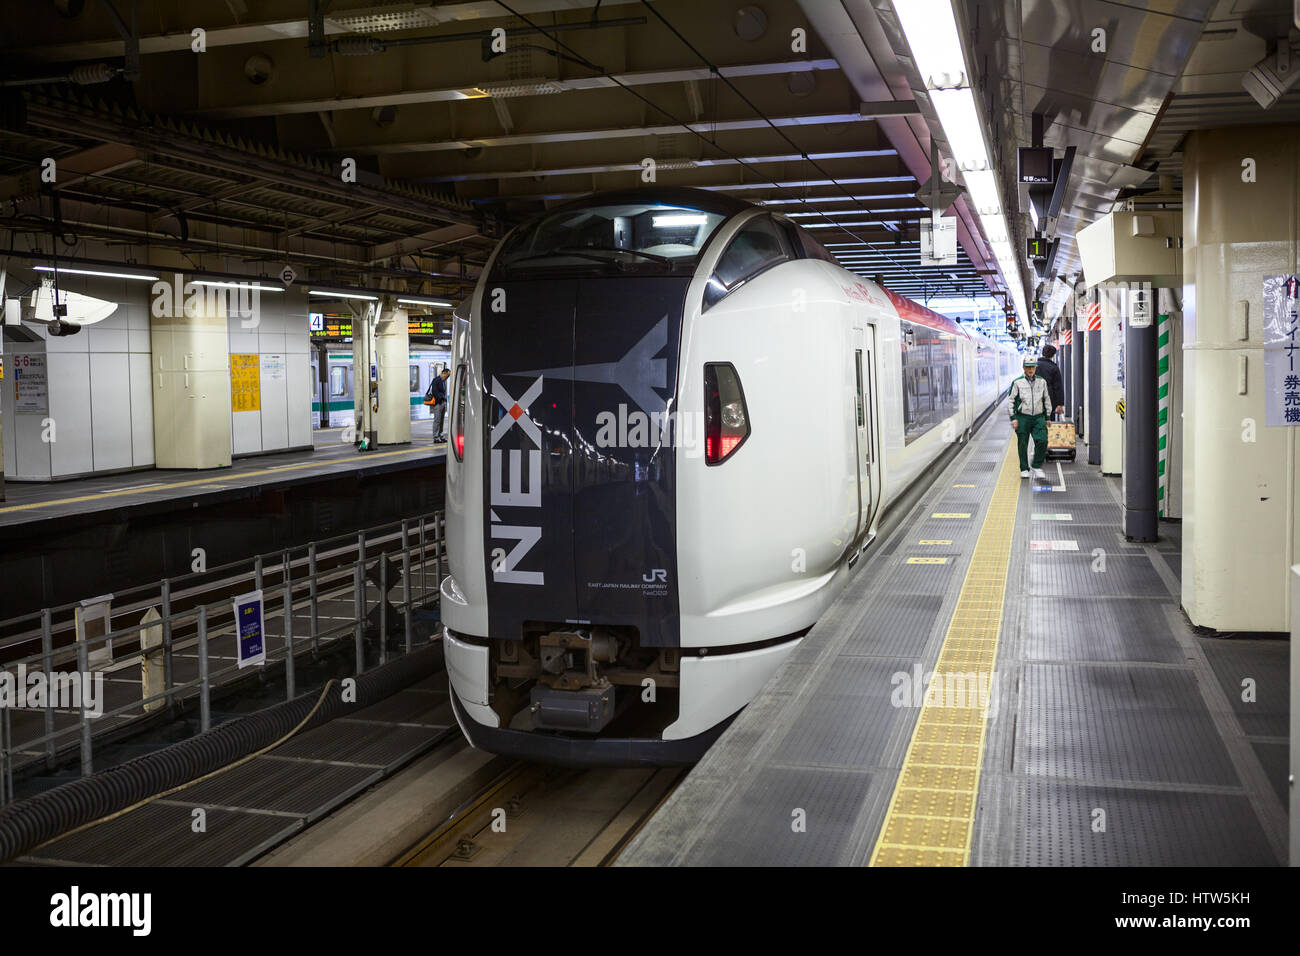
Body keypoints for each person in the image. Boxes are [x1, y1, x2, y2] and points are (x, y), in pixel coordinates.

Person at [1009, 354, 1051, 480]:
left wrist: (1048, 416)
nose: (1030, 369)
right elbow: (1011, 401)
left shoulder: (1042, 382)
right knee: (1022, 443)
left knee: (1043, 440)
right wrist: (1013, 418)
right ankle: (1024, 468)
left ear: (1036, 368)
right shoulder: (1017, 383)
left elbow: (1046, 399)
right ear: (1023, 368)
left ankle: (1036, 465)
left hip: (1039, 417)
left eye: (1032, 367)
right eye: (1028, 367)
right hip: (1023, 417)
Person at [1036, 344, 1065, 418]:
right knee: (1049, 421)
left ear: (1042, 353)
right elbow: (1058, 387)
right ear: (1053, 355)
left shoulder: (1033, 366)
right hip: (1049, 398)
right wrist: (1060, 404)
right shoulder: (1054, 367)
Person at [428, 367, 451, 441]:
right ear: (443, 373)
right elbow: (434, 391)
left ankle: (441, 435)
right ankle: (436, 437)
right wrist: (441, 399)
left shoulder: (442, 381)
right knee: (437, 420)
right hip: (438, 403)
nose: (447, 377)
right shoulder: (436, 380)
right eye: (447, 376)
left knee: (441, 420)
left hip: (442, 403)